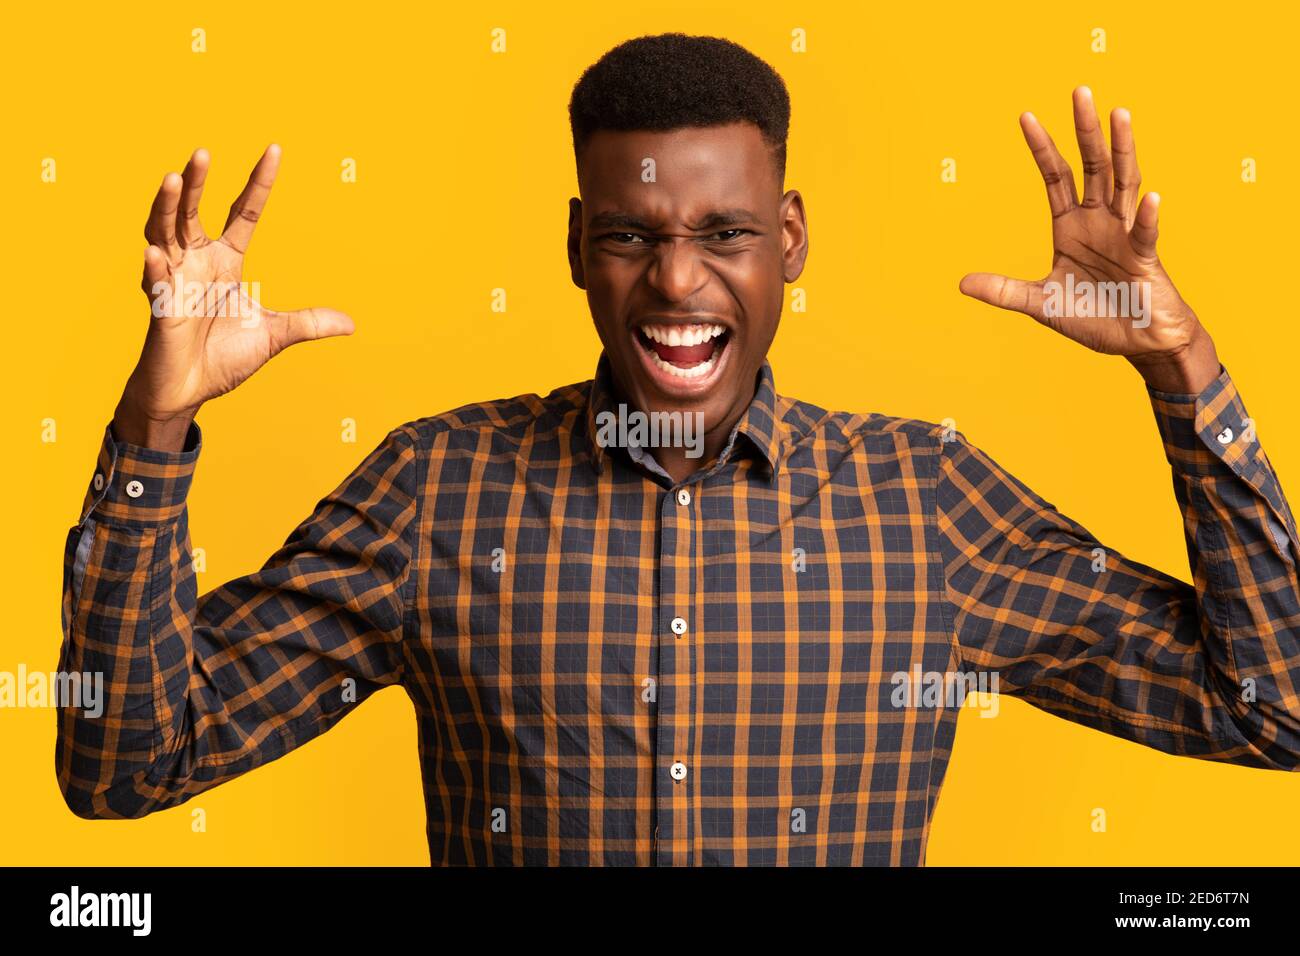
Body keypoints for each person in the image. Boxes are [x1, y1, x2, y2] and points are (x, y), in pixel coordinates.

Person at [58, 32, 1300, 866]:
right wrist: (154, 424)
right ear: (574, 246)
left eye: (726, 231)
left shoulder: (922, 500)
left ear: (791, 241)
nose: (677, 281)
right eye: (629, 236)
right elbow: (129, 761)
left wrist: (1178, 365)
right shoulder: (437, 490)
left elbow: (1272, 712)